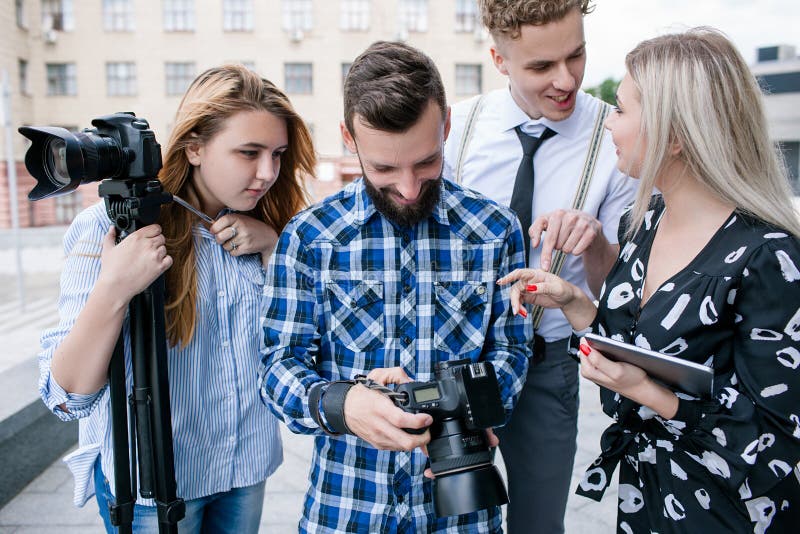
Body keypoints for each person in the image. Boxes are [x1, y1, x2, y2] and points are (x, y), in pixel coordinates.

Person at [501, 28, 800, 532]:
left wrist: (650, 392)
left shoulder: (769, 256)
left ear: (675, 135)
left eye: (620, 109)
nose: (609, 124)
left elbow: (777, 437)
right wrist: (573, 302)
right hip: (647, 499)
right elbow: (631, 349)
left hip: (731, 516)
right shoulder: (643, 225)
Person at [258, 41, 531, 533]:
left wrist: (473, 404)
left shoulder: (497, 231)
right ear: (349, 138)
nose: (408, 188)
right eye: (384, 168)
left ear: (446, 126)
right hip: (346, 506)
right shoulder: (310, 236)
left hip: (463, 512)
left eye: (427, 162)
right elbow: (276, 366)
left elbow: (512, 350)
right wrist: (343, 403)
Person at [38, 64, 316, 532]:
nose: (267, 172)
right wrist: (115, 287)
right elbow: (67, 396)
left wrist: (272, 246)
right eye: (249, 153)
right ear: (195, 147)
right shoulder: (111, 229)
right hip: (155, 488)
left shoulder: (269, 228)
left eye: (278, 154)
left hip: (246, 468)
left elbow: (299, 344)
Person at [442, 1, 637, 531]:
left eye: (576, 55)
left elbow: (623, 289)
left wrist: (593, 242)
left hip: (549, 364)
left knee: (539, 524)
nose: (566, 80)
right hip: (459, 364)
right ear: (499, 60)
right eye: (540, 66)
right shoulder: (456, 127)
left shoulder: (615, 135)